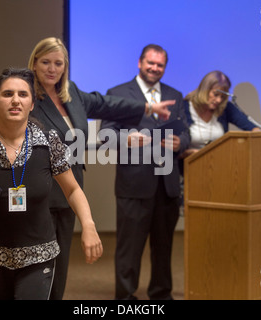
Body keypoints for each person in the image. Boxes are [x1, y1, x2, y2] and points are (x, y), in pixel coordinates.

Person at [27, 37, 174, 300]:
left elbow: (108, 104)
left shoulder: (70, 93)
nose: (52, 69)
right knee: (39, 266)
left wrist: (148, 107)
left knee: (59, 267)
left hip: (70, 193)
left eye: (58, 63)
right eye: (46, 62)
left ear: (65, 66)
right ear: (35, 63)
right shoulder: (27, 95)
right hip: (40, 193)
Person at [0, 67, 103, 300]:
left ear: (32, 104)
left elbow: (72, 189)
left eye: (23, 94)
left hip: (39, 256)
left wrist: (88, 225)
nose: (15, 100)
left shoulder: (48, 141)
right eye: (7, 94)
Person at [100, 44, 190, 300]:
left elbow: (185, 133)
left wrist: (180, 143)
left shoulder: (175, 94)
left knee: (164, 248)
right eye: (150, 63)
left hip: (168, 185)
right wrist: (127, 139)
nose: (154, 68)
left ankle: (161, 294)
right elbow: (106, 135)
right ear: (139, 63)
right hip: (134, 184)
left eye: (160, 65)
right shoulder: (117, 93)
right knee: (129, 248)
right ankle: (126, 297)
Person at [179, 70, 260, 160]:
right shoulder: (183, 107)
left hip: (219, 165)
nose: (218, 100)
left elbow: (251, 126)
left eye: (222, 97)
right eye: (216, 94)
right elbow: (172, 149)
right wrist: (187, 153)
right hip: (188, 167)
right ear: (204, 89)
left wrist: (258, 133)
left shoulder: (226, 108)